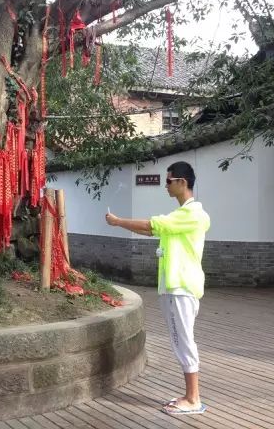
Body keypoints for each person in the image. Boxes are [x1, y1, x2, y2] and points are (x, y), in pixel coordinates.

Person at [105, 161, 210, 415]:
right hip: (177, 288)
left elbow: (152, 226)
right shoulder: (181, 216)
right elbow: (153, 232)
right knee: (181, 340)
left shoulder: (191, 214)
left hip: (181, 288)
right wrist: (125, 225)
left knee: (183, 341)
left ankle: (193, 398)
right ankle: (190, 395)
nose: (165, 185)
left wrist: (118, 221)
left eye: (169, 180)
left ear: (182, 183)